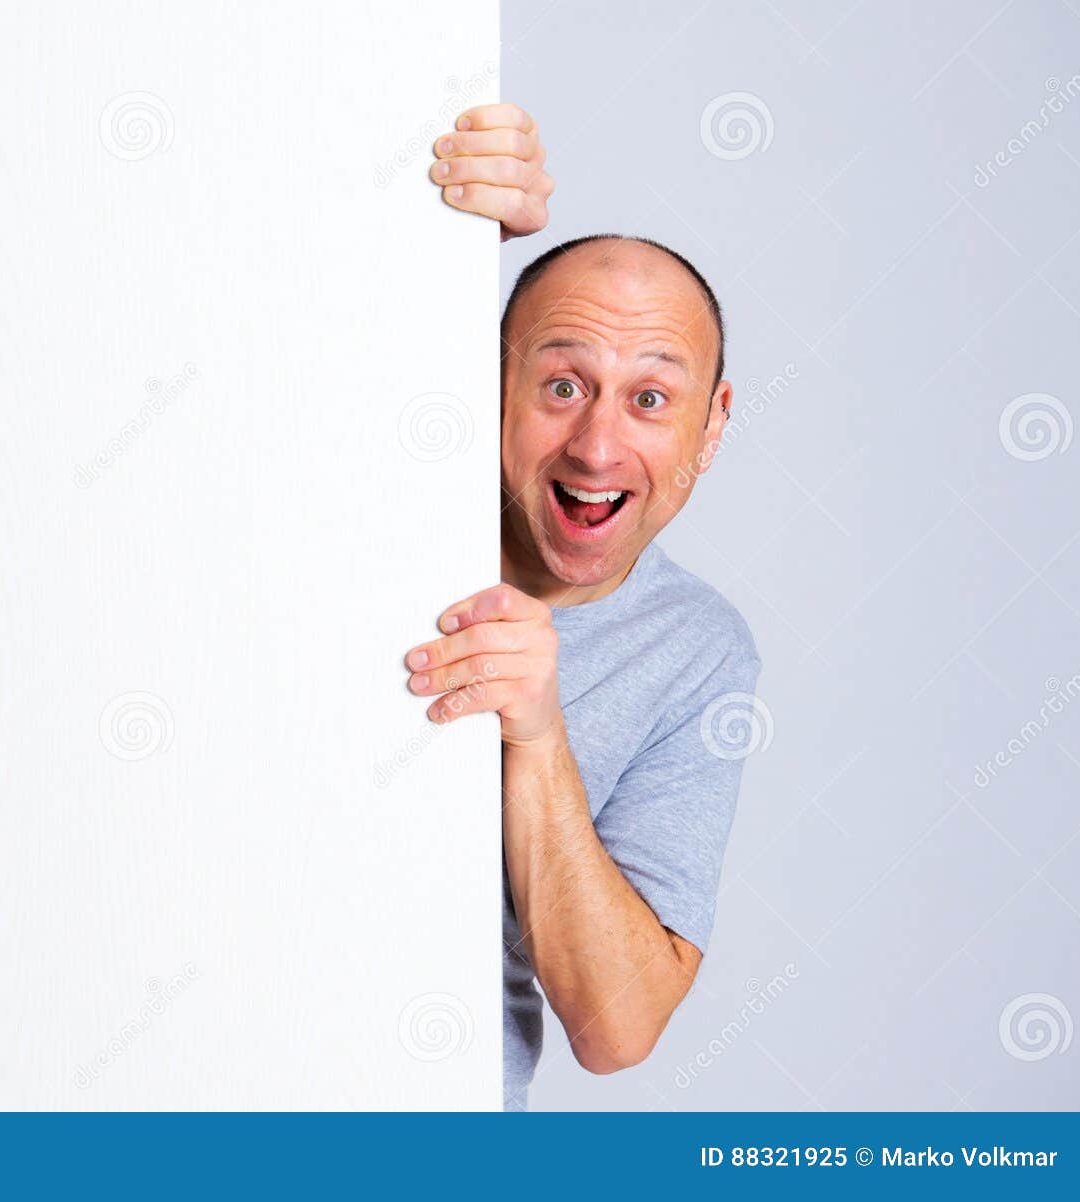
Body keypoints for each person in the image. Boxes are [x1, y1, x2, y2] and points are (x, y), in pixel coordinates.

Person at [418, 104, 761, 1110]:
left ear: (711, 425)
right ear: (489, 382)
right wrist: (422, 219)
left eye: (650, 399)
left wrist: (537, 731)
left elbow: (617, 1024)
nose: (598, 449)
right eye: (561, 383)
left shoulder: (699, 653)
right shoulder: (372, 514)